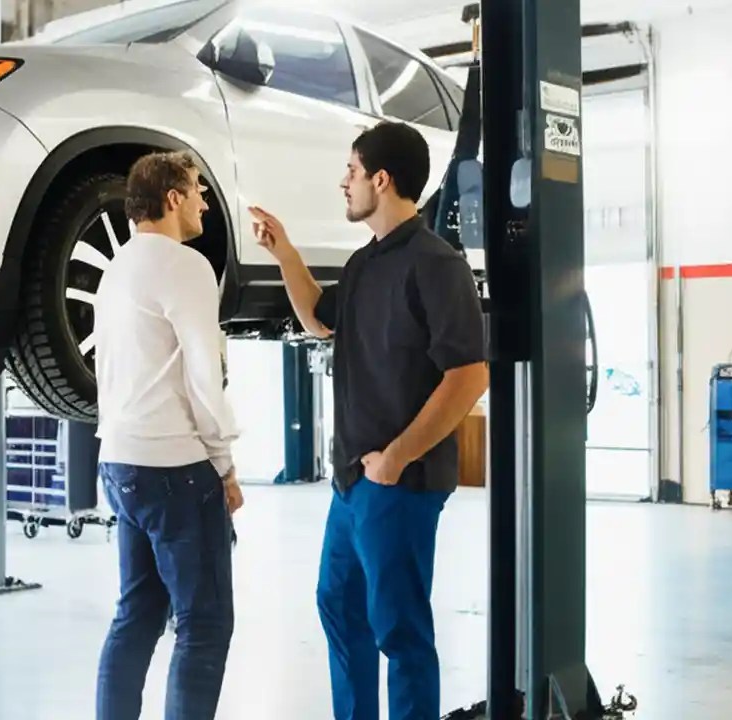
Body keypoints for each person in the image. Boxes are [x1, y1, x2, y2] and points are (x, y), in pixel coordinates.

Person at [249, 121, 490, 720]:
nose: (344, 182)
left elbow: (468, 375)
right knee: (338, 605)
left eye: (351, 171)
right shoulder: (362, 265)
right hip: (353, 481)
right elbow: (318, 320)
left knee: (399, 630)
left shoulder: (438, 265)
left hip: (400, 481)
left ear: (381, 180)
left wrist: (397, 457)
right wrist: (284, 253)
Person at [93, 150, 244, 720]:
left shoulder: (116, 269)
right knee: (204, 625)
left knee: (136, 615)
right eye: (198, 189)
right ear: (173, 198)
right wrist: (224, 464)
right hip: (175, 469)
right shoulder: (185, 266)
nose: (205, 201)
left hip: (120, 463)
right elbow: (203, 374)